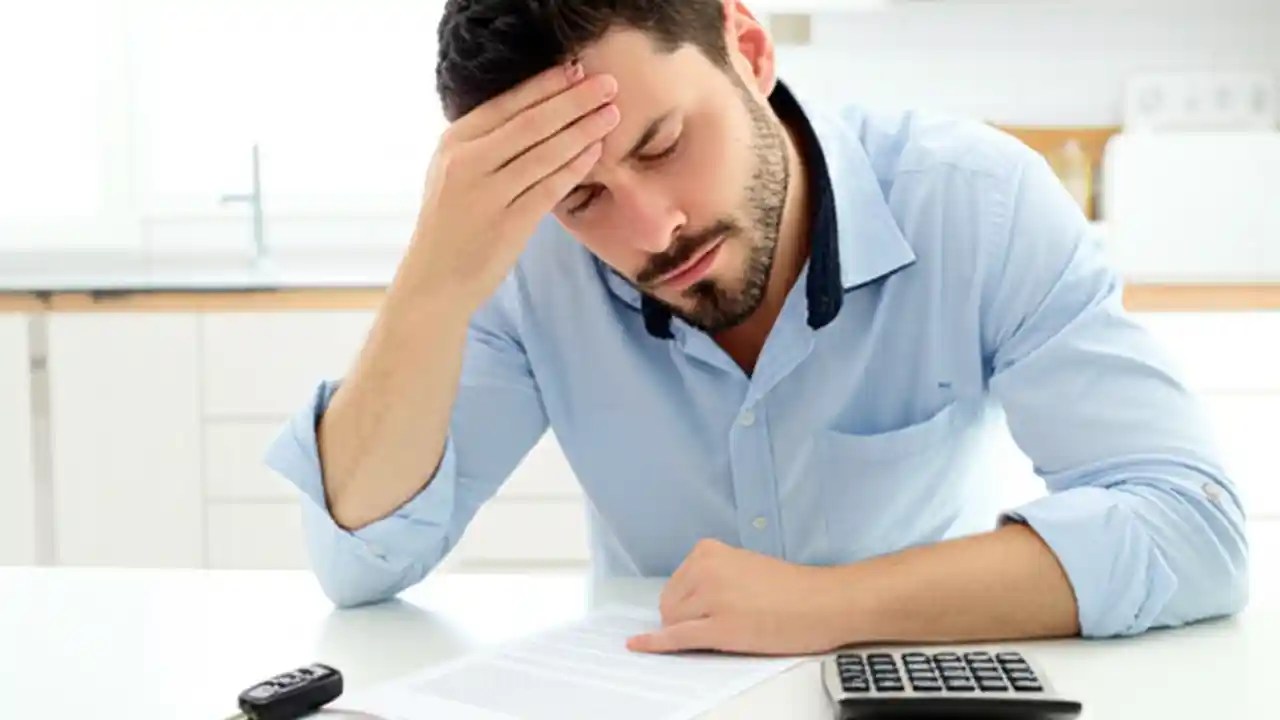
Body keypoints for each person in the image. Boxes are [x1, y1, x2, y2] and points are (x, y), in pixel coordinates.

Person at [267, 0, 1248, 656]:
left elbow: (1191, 527)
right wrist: (432, 275)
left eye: (661, 143)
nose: (651, 231)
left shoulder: (975, 203)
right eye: (580, 197)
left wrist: (826, 608)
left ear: (747, 47)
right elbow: (363, 563)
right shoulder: (529, 264)